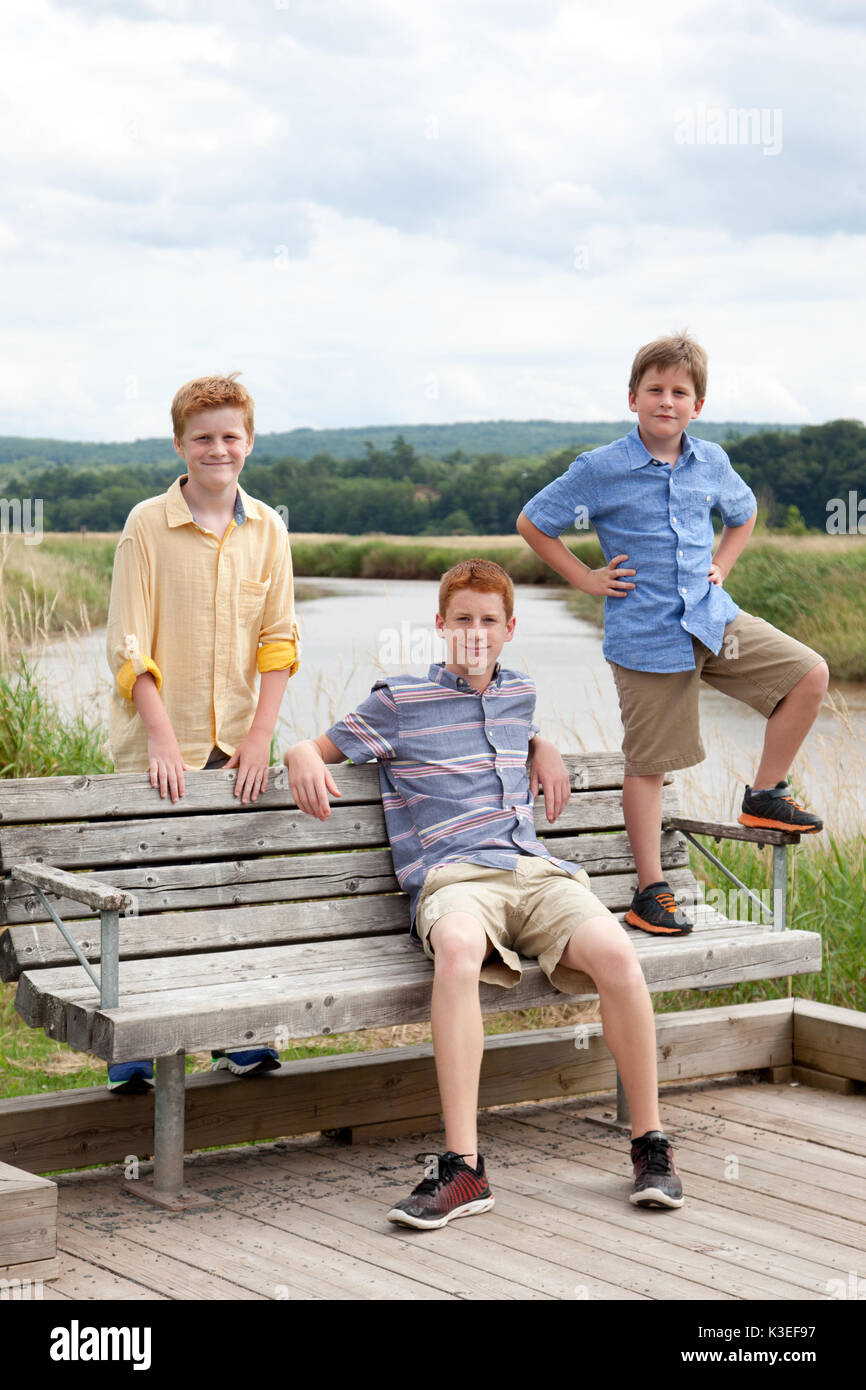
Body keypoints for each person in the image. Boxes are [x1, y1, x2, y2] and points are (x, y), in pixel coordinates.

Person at [285, 558, 685, 1227]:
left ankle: (650, 1146)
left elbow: (506, 726)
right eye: (462, 620)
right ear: (441, 627)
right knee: (461, 949)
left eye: (488, 621)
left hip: (532, 871)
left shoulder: (520, 692)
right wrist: (299, 753)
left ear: (508, 630)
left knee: (618, 955)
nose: (475, 632)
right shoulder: (400, 702)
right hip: (454, 880)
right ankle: (465, 1168)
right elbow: (318, 747)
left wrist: (541, 742)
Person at [517, 331, 829, 936]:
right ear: (632, 398)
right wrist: (586, 578)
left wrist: (724, 563)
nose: (667, 401)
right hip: (647, 636)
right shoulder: (601, 468)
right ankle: (650, 891)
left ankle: (764, 795)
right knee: (652, 764)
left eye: (680, 392)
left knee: (809, 674)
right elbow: (534, 522)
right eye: (654, 390)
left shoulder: (711, 460)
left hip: (714, 620)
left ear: (698, 405)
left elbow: (743, 514)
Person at [104, 372, 300, 1091]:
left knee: (225, 892)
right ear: (181, 444)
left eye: (231, 437)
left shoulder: (269, 529)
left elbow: (279, 642)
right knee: (149, 891)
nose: (219, 449)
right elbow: (129, 646)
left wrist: (260, 738)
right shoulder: (146, 526)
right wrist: (160, 736)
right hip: (159, 742)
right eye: (204, 438)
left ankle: (233, 1038)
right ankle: (137, 1044)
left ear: (248, 442)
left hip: (238, 745)